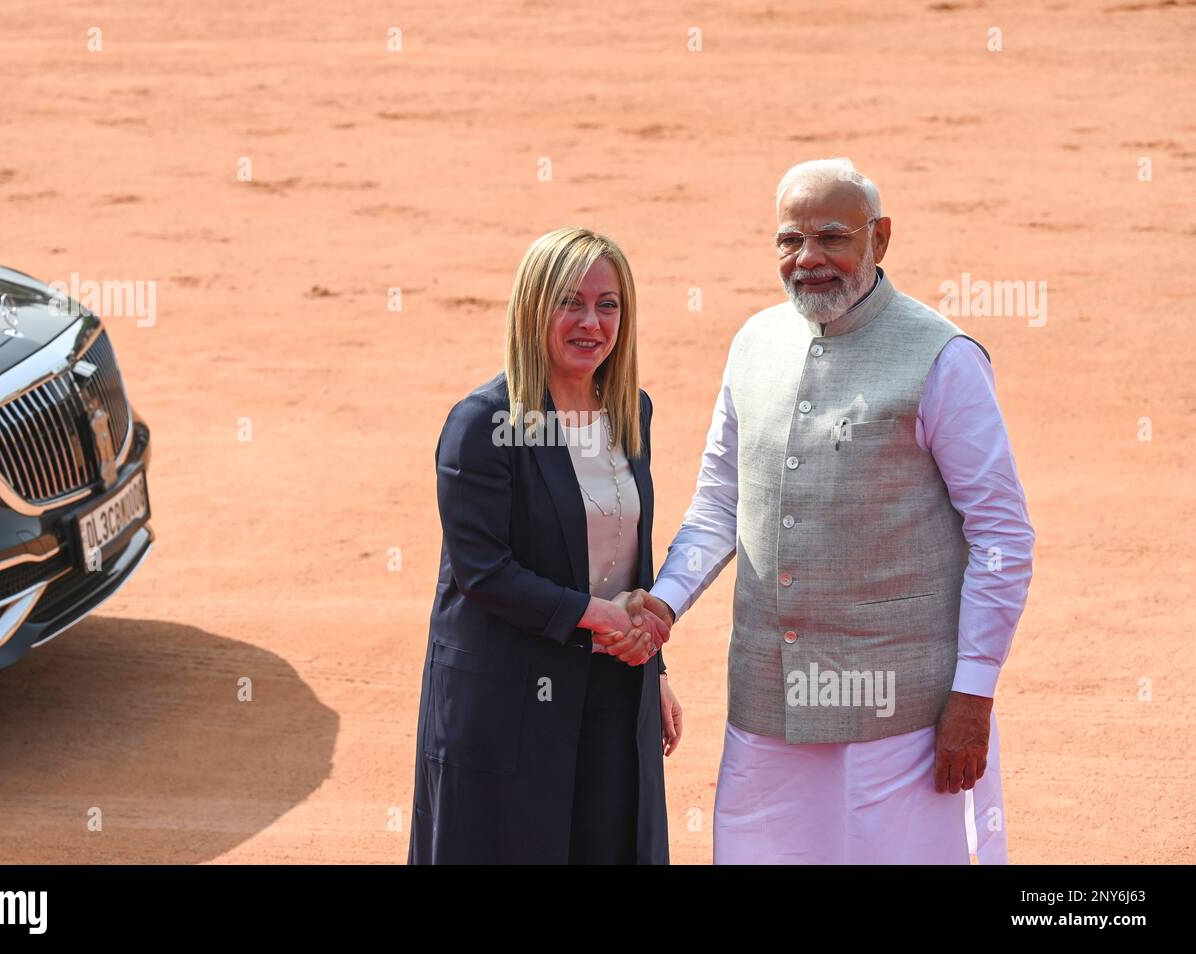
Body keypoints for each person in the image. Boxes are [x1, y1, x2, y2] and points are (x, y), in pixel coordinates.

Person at [625, 158, 1034, 864]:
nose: (808, 259)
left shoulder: (943, 357)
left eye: (832, 238)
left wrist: (974, 694)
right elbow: (720, 501)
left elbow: (1002, 534)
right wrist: (664, 604)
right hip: (769, 699)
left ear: (881, 238)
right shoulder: (753, 345)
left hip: (902, 710)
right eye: (790, 240)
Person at [409, 226, 683, 865]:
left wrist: (654, 671)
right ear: (533, 309)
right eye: (571, 302)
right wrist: (598, 619)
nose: (592, 322)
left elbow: (627, 553)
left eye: (608, 304)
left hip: (614, 685)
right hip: (509, 697)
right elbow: (484, 572)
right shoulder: (484, 423)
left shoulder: (629, 411)